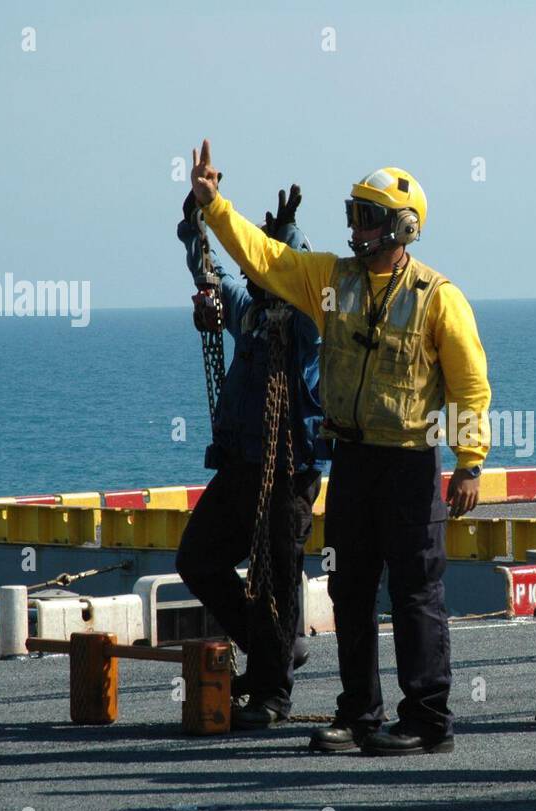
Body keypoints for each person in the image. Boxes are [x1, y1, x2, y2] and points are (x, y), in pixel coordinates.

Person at [189, 140, 492, 755]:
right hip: (352, 459)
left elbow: (469, 383)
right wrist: (214, 207)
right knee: (352, 589)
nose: (355, 227)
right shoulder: (331, 282)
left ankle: (427, 720)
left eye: (367, 217)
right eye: (353, 214)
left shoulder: (438, 297)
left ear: (402, 227)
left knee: (415, 593)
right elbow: (268, 258)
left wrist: (470, 463)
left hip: (409, 462)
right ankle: (360, 714)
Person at [173, 186, 326, 730]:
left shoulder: (310, 322)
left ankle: (272, 692)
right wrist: (197, 222)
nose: (262, 277)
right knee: (198, 559)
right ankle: (275, 652)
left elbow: (308, 290)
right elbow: (213, 278)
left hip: (287, 471)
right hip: (241, 464)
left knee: (275, 578)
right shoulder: (252, 314)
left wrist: (288, 246)